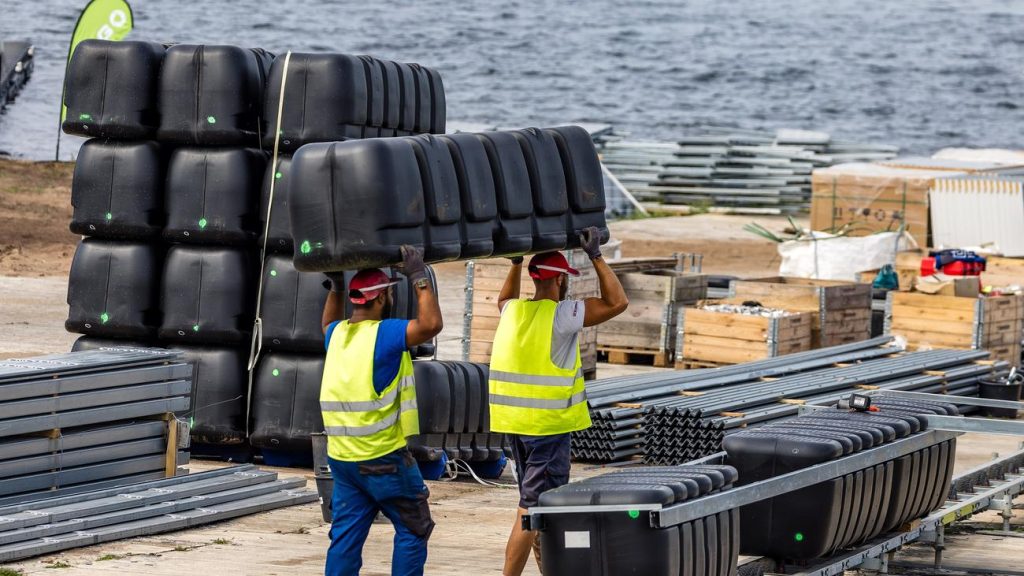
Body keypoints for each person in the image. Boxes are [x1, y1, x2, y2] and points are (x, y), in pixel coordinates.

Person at [489, 227, 629, 576]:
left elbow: (503, 298)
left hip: (513, 427)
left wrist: (516, 262)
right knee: (531, 510)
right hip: (546, 430)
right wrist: (596, 256)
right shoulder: (562, 316)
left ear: (534, 278)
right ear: (562, 281)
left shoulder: (513, 312)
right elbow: (618, 303)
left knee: (542, 507)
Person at [320, 245, 442, 576]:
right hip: (383, 459)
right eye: (387, 293)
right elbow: (431, 324)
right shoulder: (385, 335)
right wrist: (419, 277)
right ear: (377, 299)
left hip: (343, 461)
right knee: (414, 527)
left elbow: (328, 321)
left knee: (344, 537)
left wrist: (336, 286)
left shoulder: (337, 335)